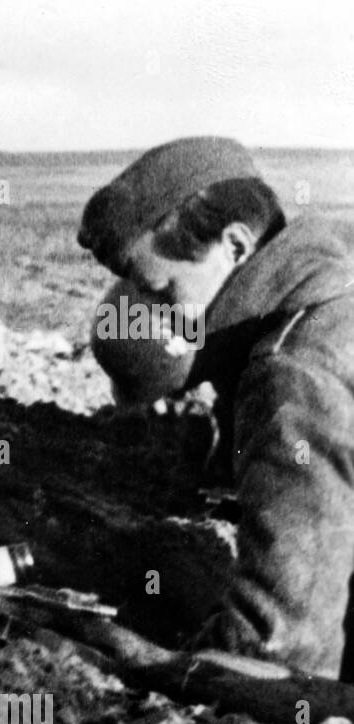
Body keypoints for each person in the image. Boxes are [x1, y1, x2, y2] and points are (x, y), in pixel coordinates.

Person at [78, 136, 354, 681]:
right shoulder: (335, 283)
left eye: (160, 292)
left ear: (234, 245)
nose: (151, 317)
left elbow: (280, 644)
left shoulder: (290, 375)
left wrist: (155, 669)